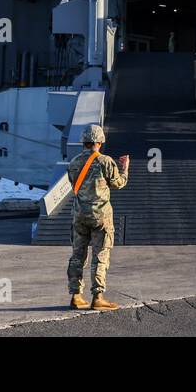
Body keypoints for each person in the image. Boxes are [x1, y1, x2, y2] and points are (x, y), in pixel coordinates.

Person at [66, 124, 129, 311]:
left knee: (77, 255)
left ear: (83, 142)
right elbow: (118, 184)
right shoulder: (106, 161)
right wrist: (125, 169)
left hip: (79, 215)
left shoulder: (74, 162)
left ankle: (76, 295)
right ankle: (98, 297)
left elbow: (73, 184)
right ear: (100, 142)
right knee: (100, 255)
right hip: (101, 217)